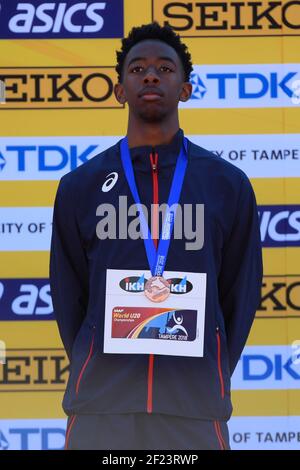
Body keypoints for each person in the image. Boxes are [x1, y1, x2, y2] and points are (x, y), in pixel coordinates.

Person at [50, 22, 263, 450]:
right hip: (101, 408)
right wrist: (99, 360)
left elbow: (239, 296)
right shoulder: (80, 186)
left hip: (194, 409)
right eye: (138, 68)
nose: (150, 76)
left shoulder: (227, 184)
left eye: (165, 69)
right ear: (119, 90)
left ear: (185, 89)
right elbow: (70, 297)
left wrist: (208, 365)